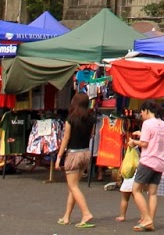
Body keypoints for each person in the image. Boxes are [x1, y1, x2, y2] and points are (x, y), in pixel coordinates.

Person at [55, 92, 96, 227]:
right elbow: (91, 135)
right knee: (74, 187)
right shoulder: (91, 119)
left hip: (73, 154)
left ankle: (86, 213)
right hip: (85, 153)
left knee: (73, 187)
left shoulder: (71, 119)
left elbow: (66, 138)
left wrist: (59, 157)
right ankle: (66, 216)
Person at [128, 100, 164, 232]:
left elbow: (144, 143)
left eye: (141, 112)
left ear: (146, 111)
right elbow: (155, 139)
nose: (141, 115)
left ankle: (146, 218)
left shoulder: (147, 123)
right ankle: (150, 221)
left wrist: (134, 141)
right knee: (153, 193)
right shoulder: (162, 123)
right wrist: (141, 135)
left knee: (136, 190)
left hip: (148, 161)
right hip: (160, 161)